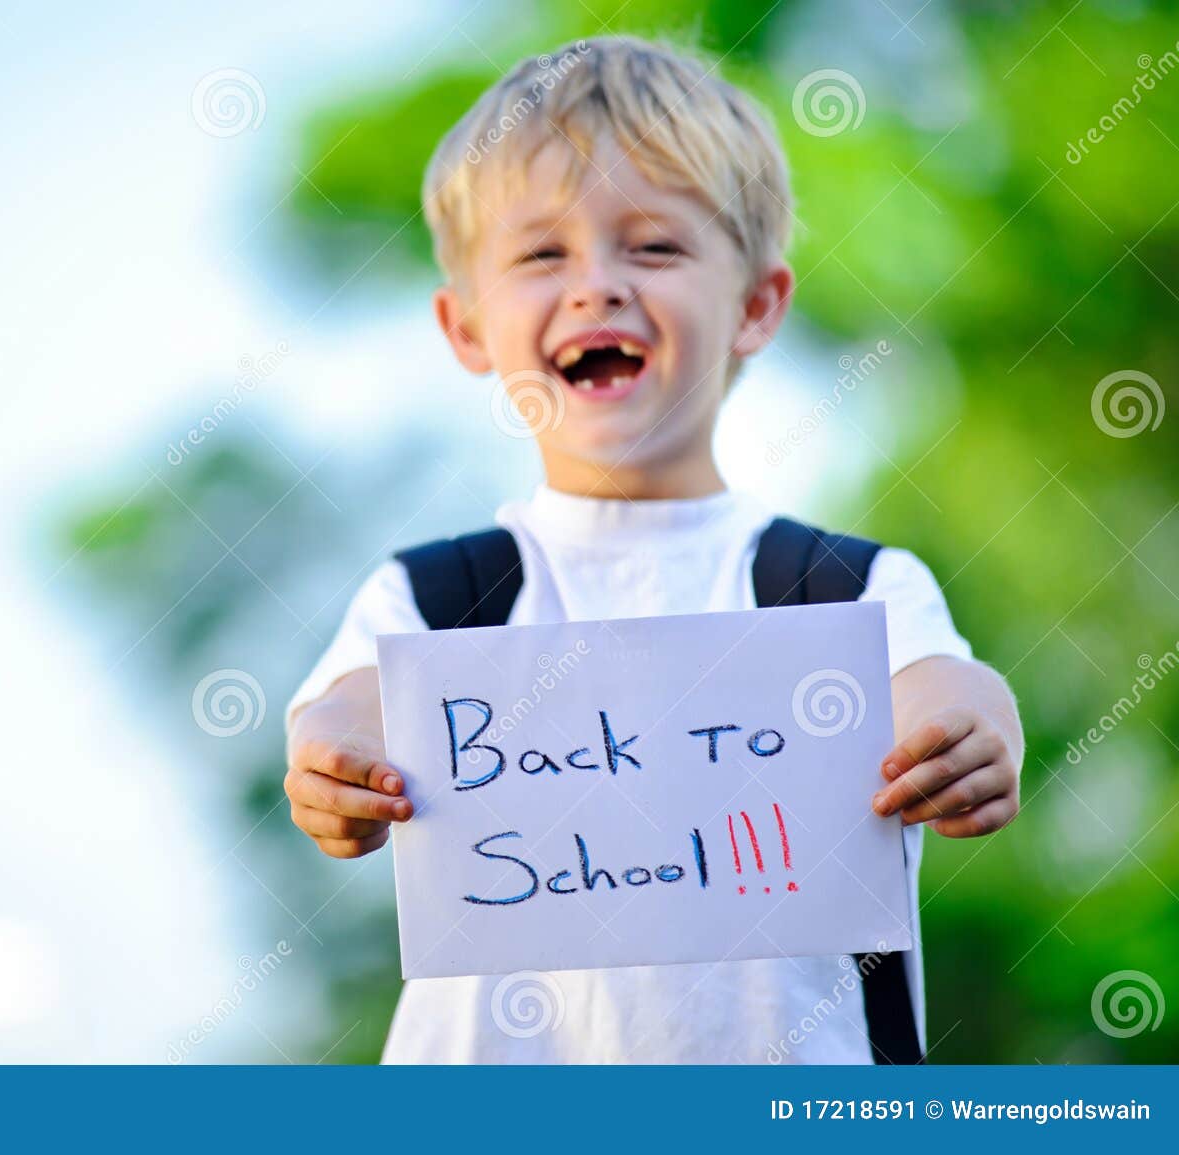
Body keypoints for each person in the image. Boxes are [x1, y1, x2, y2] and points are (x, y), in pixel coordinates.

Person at [282, 35, 1023, 1063]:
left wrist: (972, 730)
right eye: (542, 254)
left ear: (757, 305)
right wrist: (334, 759)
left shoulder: (840, 590)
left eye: (654, 247)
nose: (596, 287)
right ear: (465, 328)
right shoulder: (435, 595)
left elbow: (943, 687)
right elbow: (349, 705)